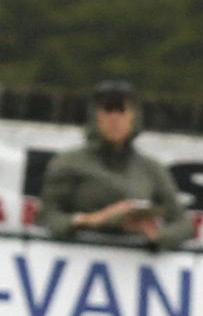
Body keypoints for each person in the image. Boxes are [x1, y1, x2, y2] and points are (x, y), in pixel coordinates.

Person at [40, 78, 192, 250]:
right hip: (77, 259)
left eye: (121, 110)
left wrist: (157, 236)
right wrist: (90, 220)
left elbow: (183, 224)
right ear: (95, 116)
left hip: (133, 265)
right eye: (107, 110)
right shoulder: (69, 163)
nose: (115, 118)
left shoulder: (151, 169)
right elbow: (48, 217)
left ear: (134, 116)